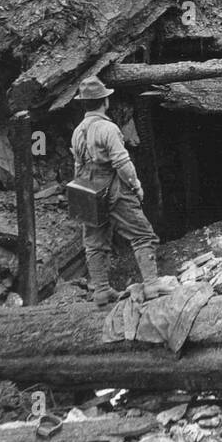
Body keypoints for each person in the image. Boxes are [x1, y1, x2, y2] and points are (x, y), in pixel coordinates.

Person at [70, 77, 162, 306]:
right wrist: (136, 185)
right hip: (114, 184)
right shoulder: (108, 128)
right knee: (142, 234)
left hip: (88, 186)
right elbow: (122, 163)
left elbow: (77, 167)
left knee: (94, 242)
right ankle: (151, 285)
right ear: (105, 101)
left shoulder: (77, 131)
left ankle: (101, 291)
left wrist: (83, 194)